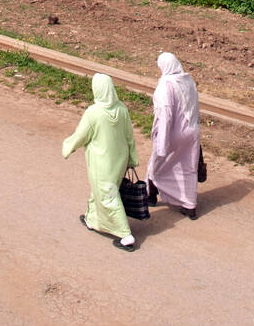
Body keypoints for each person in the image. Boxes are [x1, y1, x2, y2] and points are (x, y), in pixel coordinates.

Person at [62, 73, 139, 250]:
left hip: (101, 162)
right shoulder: (121, 109)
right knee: (102, 190)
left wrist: (68, 147)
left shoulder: (93, 113)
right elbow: (130, 136)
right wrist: (132, 158)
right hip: (120, 159)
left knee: (107, 196)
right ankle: (92, 219)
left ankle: (125, 235)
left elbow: (81, 136)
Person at [146, 52, 201, 219]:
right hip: (192, 131)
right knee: (189, 168)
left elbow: (165, 115)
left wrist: (161, 143)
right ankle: (190, 205)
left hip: (173, 133)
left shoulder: (165, 86)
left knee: (155, 166)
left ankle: (150, 195)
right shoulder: (188, 81)